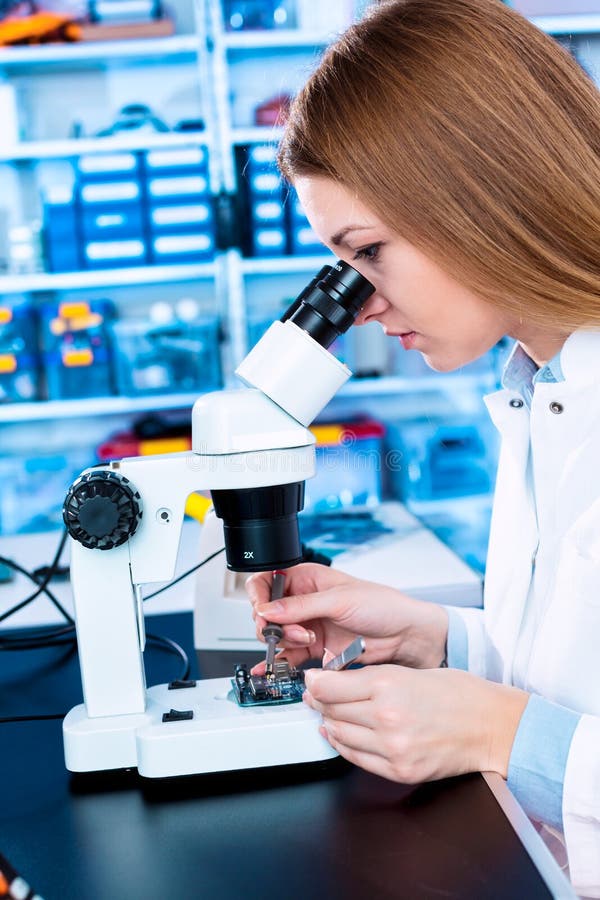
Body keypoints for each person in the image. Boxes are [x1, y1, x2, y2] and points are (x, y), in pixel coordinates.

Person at [245, 0, 600, 896]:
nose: (359, 307)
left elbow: (543, 732)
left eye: (367, 253)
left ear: (482, 194)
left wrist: (501, 737)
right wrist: (439, 641)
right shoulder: (542, 389)